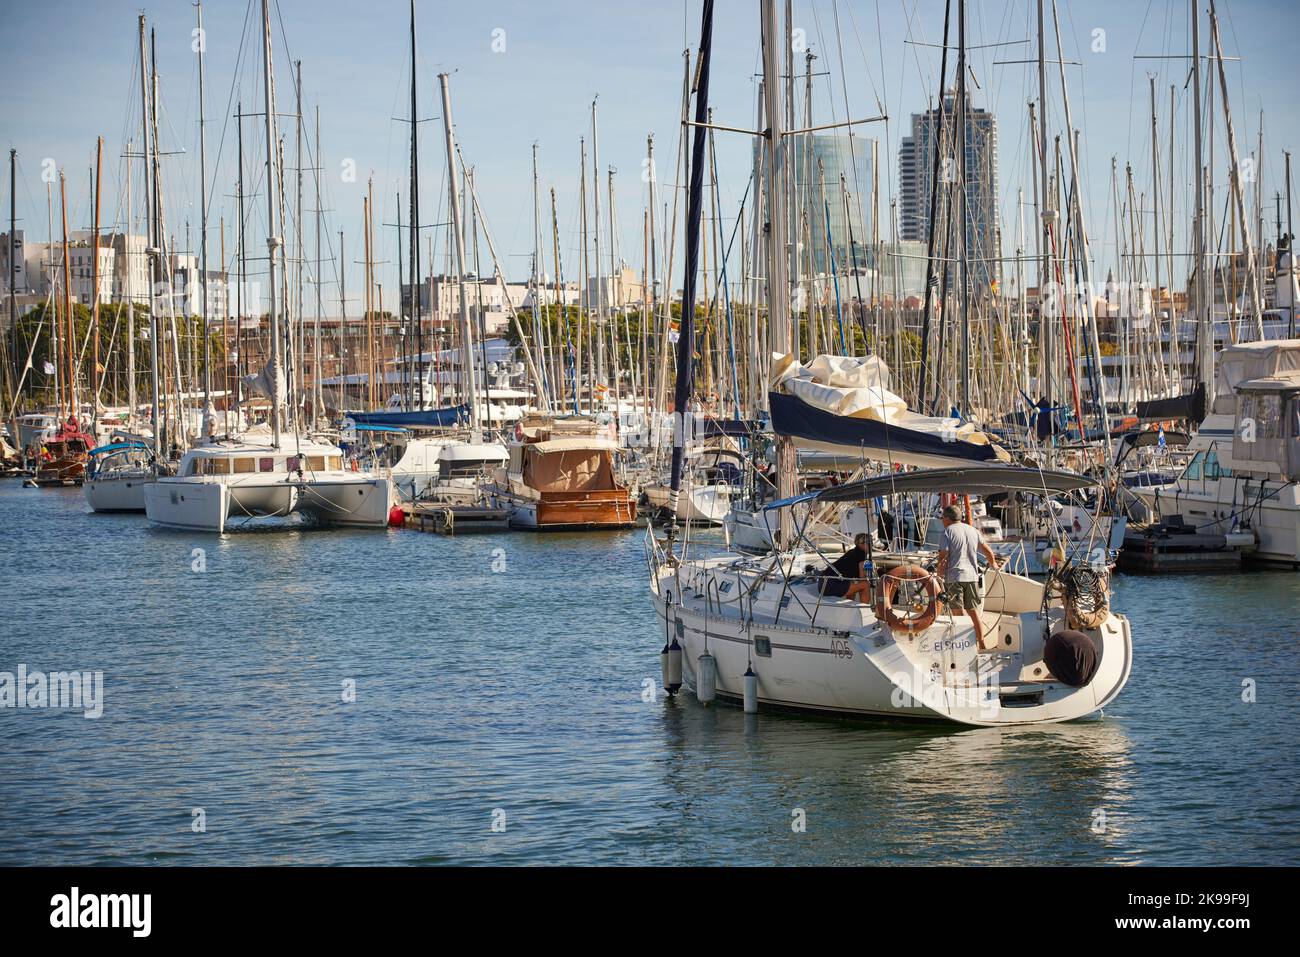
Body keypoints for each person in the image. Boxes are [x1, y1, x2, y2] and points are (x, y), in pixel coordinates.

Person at [935, 503, 1004, 651]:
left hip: (954, 577)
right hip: (972, 577)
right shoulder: (973, 530)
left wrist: (938, 574)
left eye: (942, 518)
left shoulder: (947, 532)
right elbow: (987, 551)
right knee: (973, 612)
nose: (942, 520)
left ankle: (964, 647)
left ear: (947, 518)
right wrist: (994, 565)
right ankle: (982, 642)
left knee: (957, 612)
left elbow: (943, 557)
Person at [820, 532, 872, 602]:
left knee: (852, 583)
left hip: (823, 583)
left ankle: (850, 607)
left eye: (871, 542)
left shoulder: (852, 552)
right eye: (868, 542)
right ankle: (866, 609)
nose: (871, 545)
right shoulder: (862, 556)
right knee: (866, 584)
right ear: (860, 544)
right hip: (830, 584)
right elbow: (862, 579)